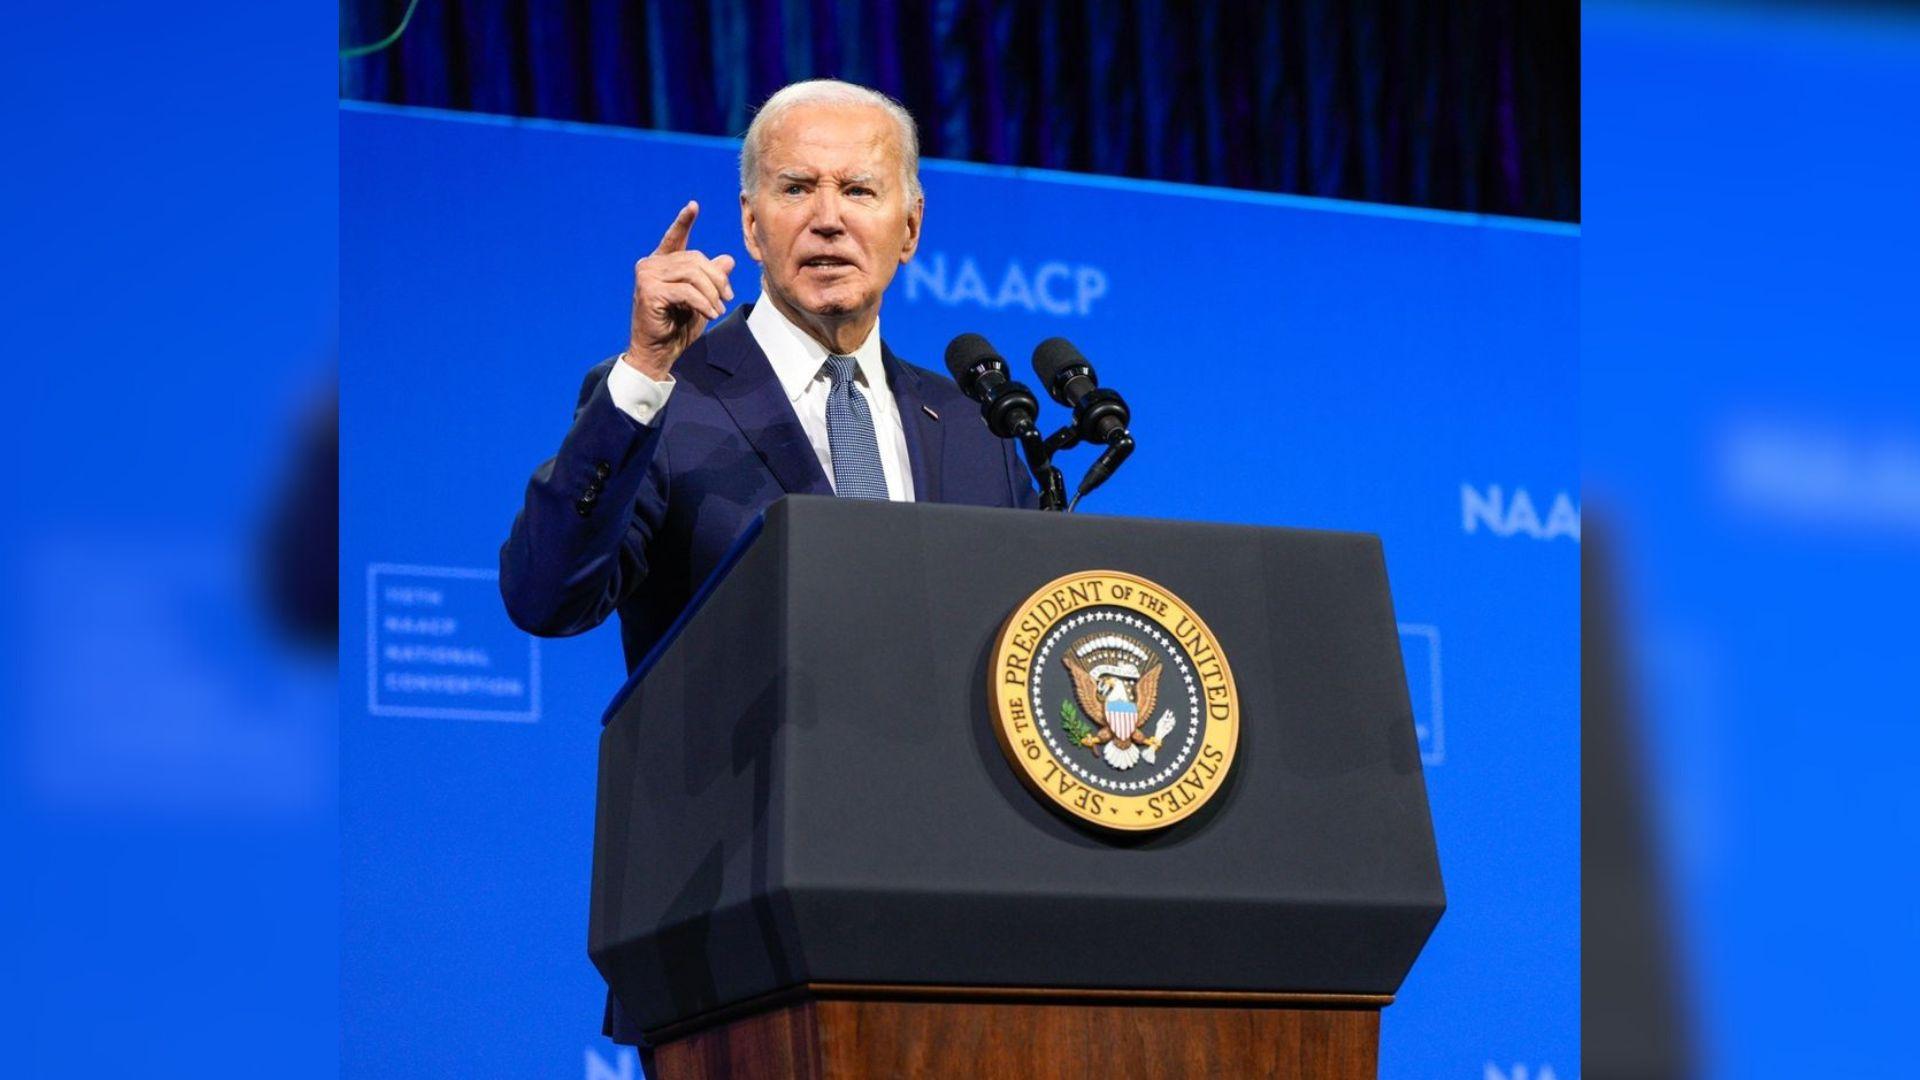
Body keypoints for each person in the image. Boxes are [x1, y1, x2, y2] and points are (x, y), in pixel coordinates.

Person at [500, 78, 1037, 675]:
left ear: (909, 228)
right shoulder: (664, 398)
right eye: (797, 188)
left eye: (858, 190)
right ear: (752, 225)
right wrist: (646, 369)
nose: (827, 219)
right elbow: (545, 599)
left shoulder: (976, 429)